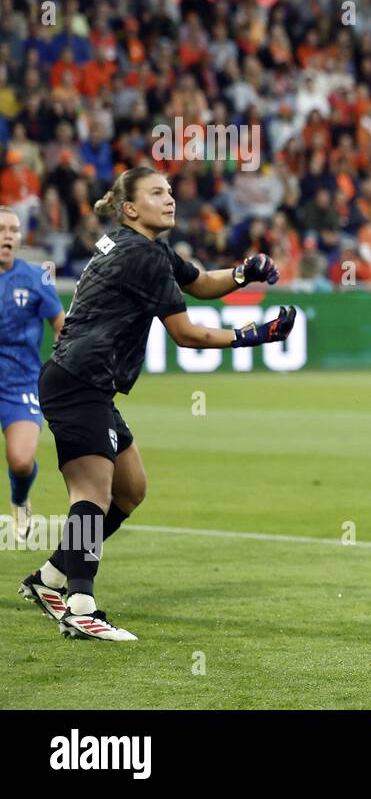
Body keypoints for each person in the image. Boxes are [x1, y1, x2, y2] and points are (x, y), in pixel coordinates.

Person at [18, 167, 296, 641]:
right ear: (130, 208)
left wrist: (243, 272)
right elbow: (186, 334)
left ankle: (49, 579)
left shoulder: (144, 248)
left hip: (87, 383)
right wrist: (251, 336)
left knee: (130, 490)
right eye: (156, 193)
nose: (169, 199)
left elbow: (200, 281)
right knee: (92, 494)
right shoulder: (139, 256)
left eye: (170, 191)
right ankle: (80, 607)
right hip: (78, 382)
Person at [0, 207, 65, 542]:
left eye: (13, 230)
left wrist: (62, 359)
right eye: (1, 229)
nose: (7, 235)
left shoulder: (36, 277)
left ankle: (20, 499)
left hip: (19, 382)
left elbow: (59, 324)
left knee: (22, 460)